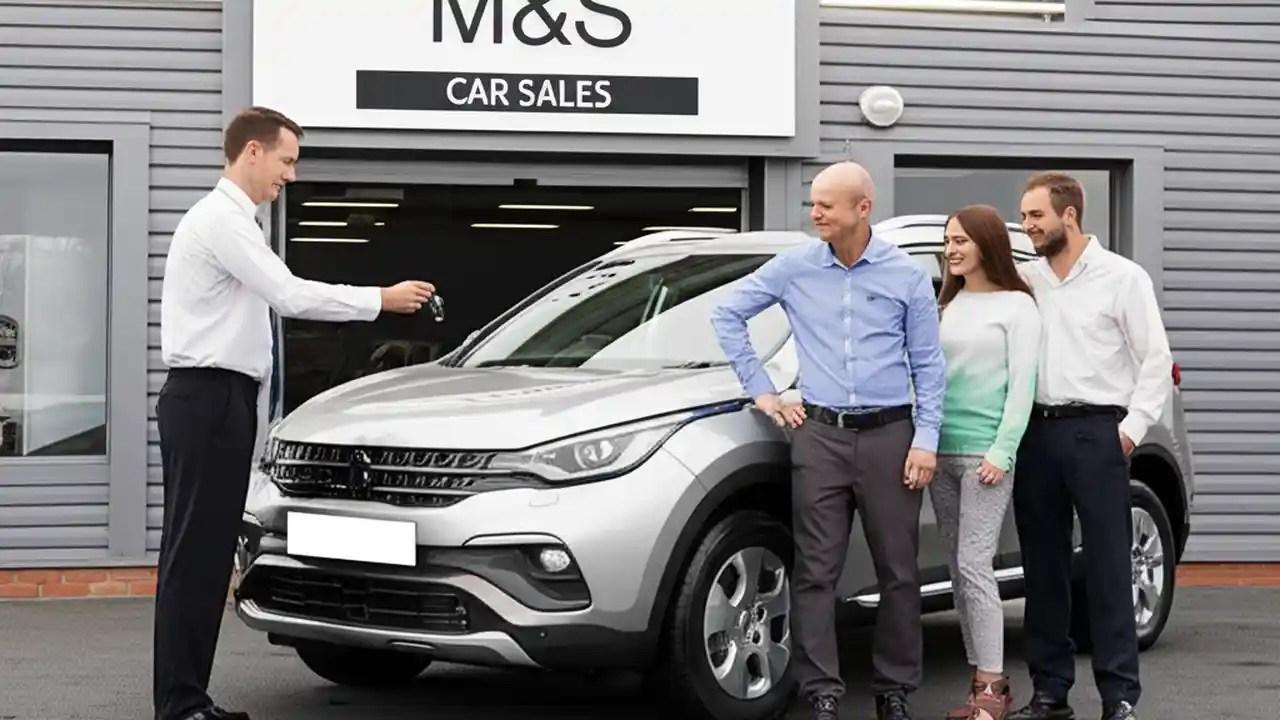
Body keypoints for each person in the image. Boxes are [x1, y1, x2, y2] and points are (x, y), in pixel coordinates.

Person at [154, 106, 435, 720]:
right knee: (194, 561)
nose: (291, 175)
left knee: (202, 560)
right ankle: (180, 706)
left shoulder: (236, 223)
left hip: (217, 400)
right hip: (207, 400)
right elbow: (287, 293)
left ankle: (187, 701)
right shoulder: (221, 222)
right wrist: (380, 300)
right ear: (251, 152)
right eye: (286, 161)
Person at [710, 161, 946, 720]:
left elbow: (929, 364)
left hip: (892, 436)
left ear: (863, 208)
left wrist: (926, 438)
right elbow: (727, 313)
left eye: (825, 205)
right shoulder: (794, 267)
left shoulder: (905, 274)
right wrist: (763, 391)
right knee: (815, 572)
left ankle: (894, 691)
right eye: (812, 204)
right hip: (818, 436)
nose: (814, 214)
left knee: (900, 572)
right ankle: (822, 694)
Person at [1009, 172, 1172, 720]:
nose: (1027, 226)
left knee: (1107, 569)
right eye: (1025, 216)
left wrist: (1130, 430)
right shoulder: (1025, 279)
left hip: (1098, 433)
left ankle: (1119, 695)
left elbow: (1155, 359)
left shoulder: (1122, 277)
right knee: (1043, 571)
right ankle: (1050, 691)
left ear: (1069, 216)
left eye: (1035, 216)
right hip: (1035, 435)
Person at [932, 205, 1041, 720]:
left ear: (987, 245)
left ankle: (993, 689)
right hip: (941, 452)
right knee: (958, 568)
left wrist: (1003, 450)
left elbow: (1023, 385)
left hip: (985, 456)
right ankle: (981, 683)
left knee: (976, 565)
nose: (952, 249)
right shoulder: (947, 303)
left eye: (961, 241)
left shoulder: (1017, 305)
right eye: (948, 241)